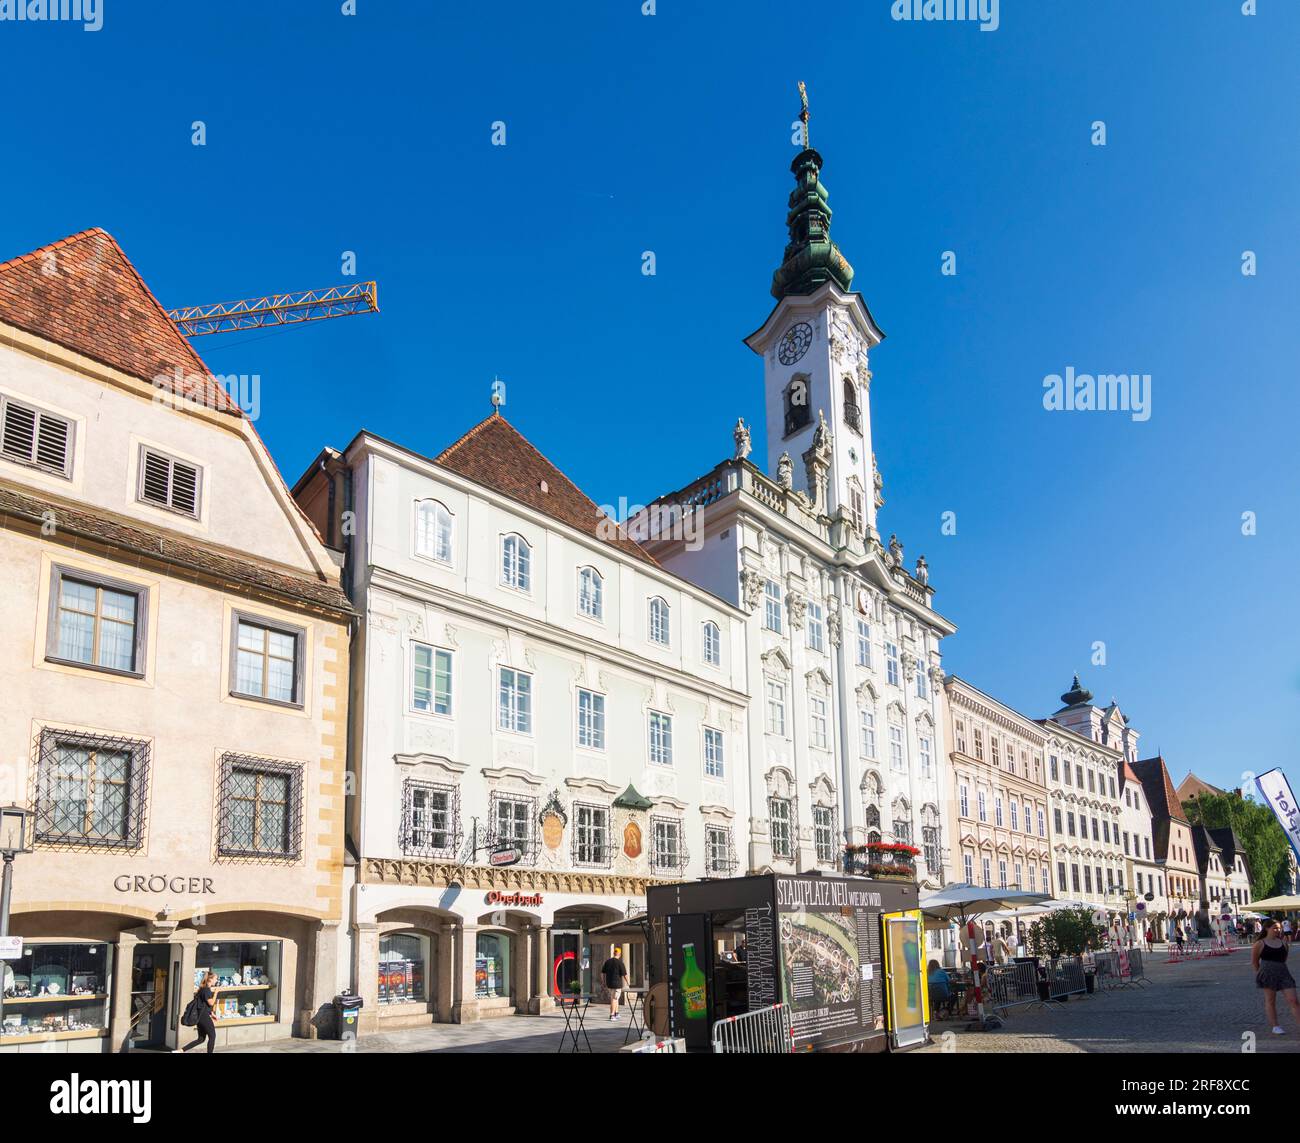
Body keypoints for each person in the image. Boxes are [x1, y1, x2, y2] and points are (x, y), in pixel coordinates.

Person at [1253, 922, 1300, 1035]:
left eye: (1279, 928)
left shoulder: (1284, 943)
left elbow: (1284, 959)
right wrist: (1261, 974)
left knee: (1294, 1000)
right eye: (1275, 928)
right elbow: (1254, 962)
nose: (1278, 930)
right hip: (1267, 973)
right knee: (1270, 1000)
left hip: (1283, 973)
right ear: (1267, 928)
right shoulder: (1260, 943)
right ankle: (1275, 1025)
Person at [175, 971, 219, 1054]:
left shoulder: (203, 989)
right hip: (203, 1017)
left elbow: (203, 1005)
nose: (216, 980)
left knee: (201, 1039)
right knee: (212, 1036)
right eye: (215, 978)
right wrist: (216, 993)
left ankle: (181, 1050)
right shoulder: (206, 990)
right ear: (210, 979)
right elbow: (211, 1003)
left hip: (201, 1016)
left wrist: (211, 1013)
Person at [601, 946, 629, 1021]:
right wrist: (628, 982)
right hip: (617, 984)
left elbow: (602, 973)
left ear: (614, 953)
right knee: (614, 999)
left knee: (614, 998)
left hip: (609, 984)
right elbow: (624, 974)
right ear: (619, 954)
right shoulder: (620, 963)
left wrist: (603, 982)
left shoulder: (607, 962)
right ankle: (612, 1015)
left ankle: (617, 1013)